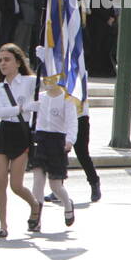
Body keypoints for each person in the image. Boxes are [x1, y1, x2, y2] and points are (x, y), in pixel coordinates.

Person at [0, 44, 42, 238]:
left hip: (21, 134)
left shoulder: (29, 81)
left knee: (16, 185)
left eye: (7, 59)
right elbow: (0, 112)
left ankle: (35, 205)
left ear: (18, 62)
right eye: (0, 60)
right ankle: (3, 225)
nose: (3, 63)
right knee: (0, 180)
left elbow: (50, 86)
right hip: (4, 132)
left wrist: (45, 60)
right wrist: (21, 108)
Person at [25, 77, 78, 231]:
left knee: (55, 186)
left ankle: (67, 204)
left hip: (57, 142)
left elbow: (72, 122)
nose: (48, 82)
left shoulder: (67, 100)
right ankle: (36, 217)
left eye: (52, 79)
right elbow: (28, 111)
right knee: (38, 181)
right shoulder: (40, 97)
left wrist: (70, 140)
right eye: (46, 79)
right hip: (40, 140)